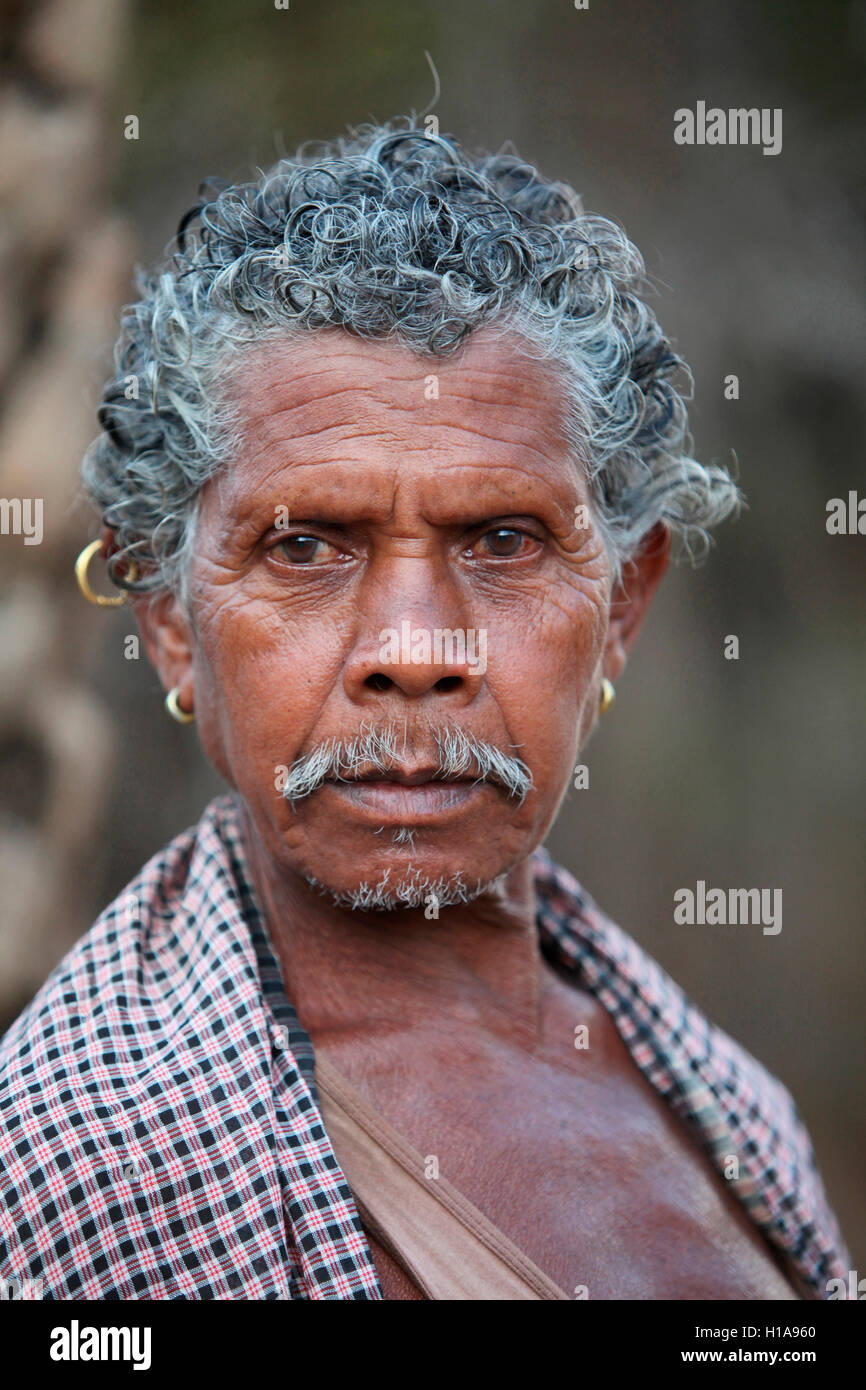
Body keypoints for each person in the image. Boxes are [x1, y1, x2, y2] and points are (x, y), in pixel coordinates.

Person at [0, 121, 850, 1300]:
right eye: (303, 546)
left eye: (502, 541)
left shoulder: (731, 1113)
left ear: (620, 605)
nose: (414, 649)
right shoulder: (85, 1174)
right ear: (170, 621)